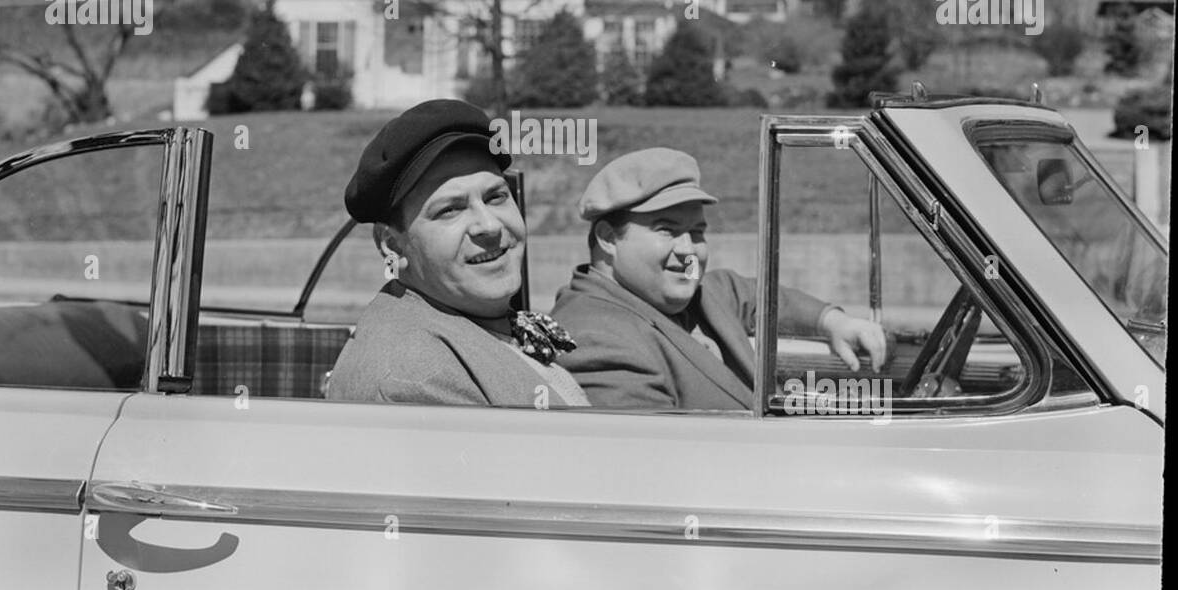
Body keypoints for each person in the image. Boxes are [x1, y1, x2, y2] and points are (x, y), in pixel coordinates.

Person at [551, 147, 887, 410]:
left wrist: (832, 321)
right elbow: (657, 463)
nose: (689, 250)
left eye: (696, 232)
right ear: (609, 238)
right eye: (666, 229)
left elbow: (749, 296)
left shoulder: (681, 294)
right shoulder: (597, 339)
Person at [326, 99, 589, 408]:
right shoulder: (414, 382)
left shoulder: (478, 323)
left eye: (496, 197)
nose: (489, 226)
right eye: (450, 209)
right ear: (393, 245)